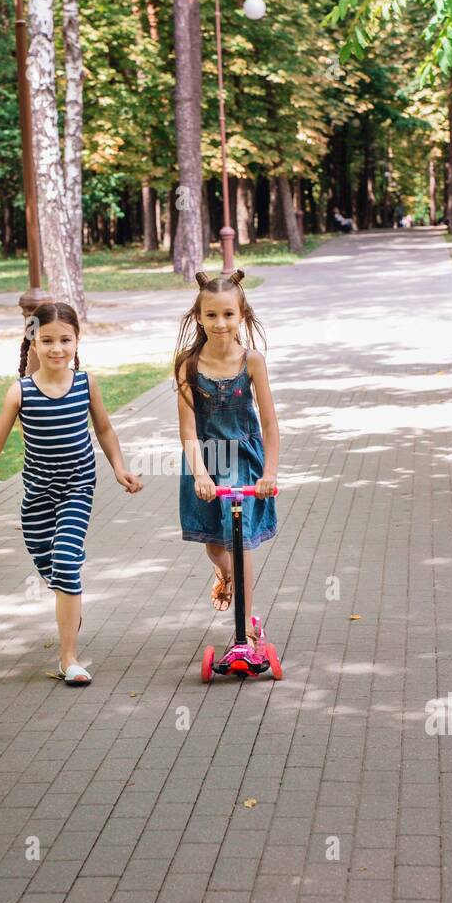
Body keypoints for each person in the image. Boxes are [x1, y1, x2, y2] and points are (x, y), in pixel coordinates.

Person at [0, 301, 142, 686]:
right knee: (55, 573)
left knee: (66, 563)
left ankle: (68, 658)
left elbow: (104, 430)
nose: (57, 348)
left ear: (77, 340)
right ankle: (69, 605)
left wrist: (119, 468)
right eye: (47, 340)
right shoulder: (20, 392)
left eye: (65, 340)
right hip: (37, 499)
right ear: (33, 342)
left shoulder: (85, 384)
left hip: (77, 488)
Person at [173, 269, 279, 640]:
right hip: (206, 458)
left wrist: (269, 472)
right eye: (212, 315)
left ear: (242, 315)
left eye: (228, 314)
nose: (221, 323)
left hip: (242, 458)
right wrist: (200, 473)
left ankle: (246, 627)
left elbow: (269, 425)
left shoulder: (252, 361)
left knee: (240, 540)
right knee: (216, 545)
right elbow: (187, 430)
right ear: (199, 318)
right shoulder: (188, 364)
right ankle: (227, 573)